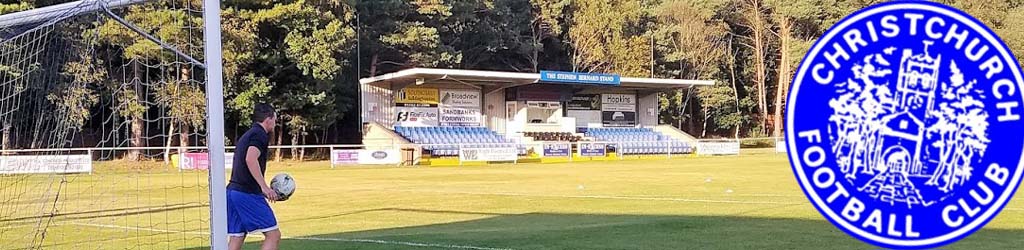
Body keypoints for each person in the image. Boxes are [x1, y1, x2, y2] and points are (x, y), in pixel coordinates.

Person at [227, 103, 281, 250]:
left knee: (237, 236)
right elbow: (250, 158)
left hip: (233, 192)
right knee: (273, 235)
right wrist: (264, 187)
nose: (275, 123)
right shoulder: (260, 134)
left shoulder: (249, 133)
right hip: (246, 193)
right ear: (268, 119)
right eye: (275, 119)